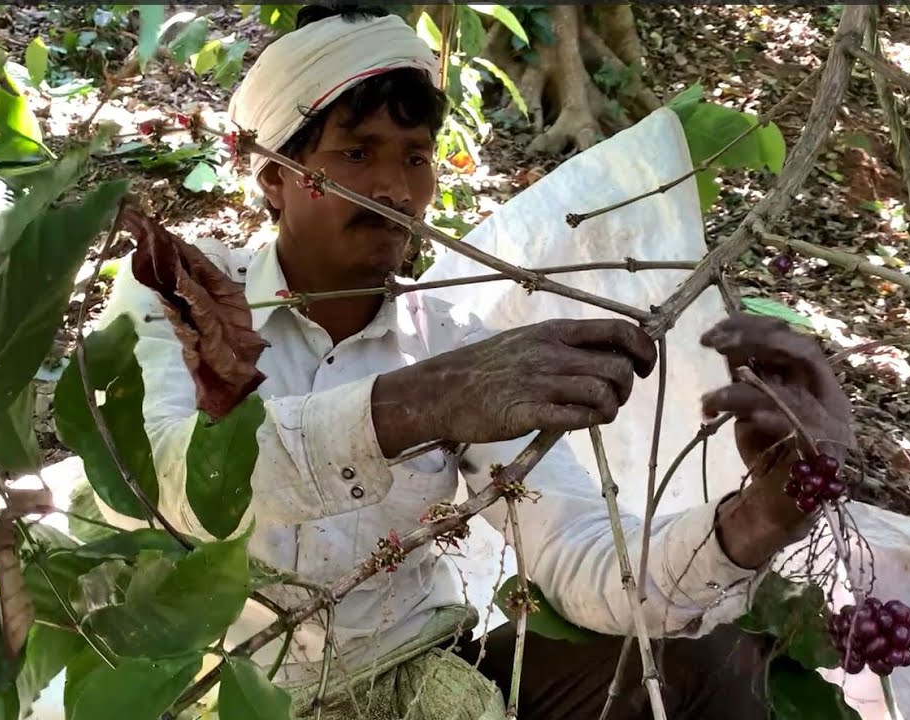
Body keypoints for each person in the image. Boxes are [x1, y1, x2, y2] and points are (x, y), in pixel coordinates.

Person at [94, 6, 855, 719]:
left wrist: (759, 517)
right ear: (272, 175)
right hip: (230, 689)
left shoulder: (449, 341)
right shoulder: (181, 295)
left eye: (416, 158)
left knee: (713, 664)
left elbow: (579, 553)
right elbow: (158, 490)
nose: (396, 189)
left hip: (419, 669)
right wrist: (417, 404)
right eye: (355, 154)